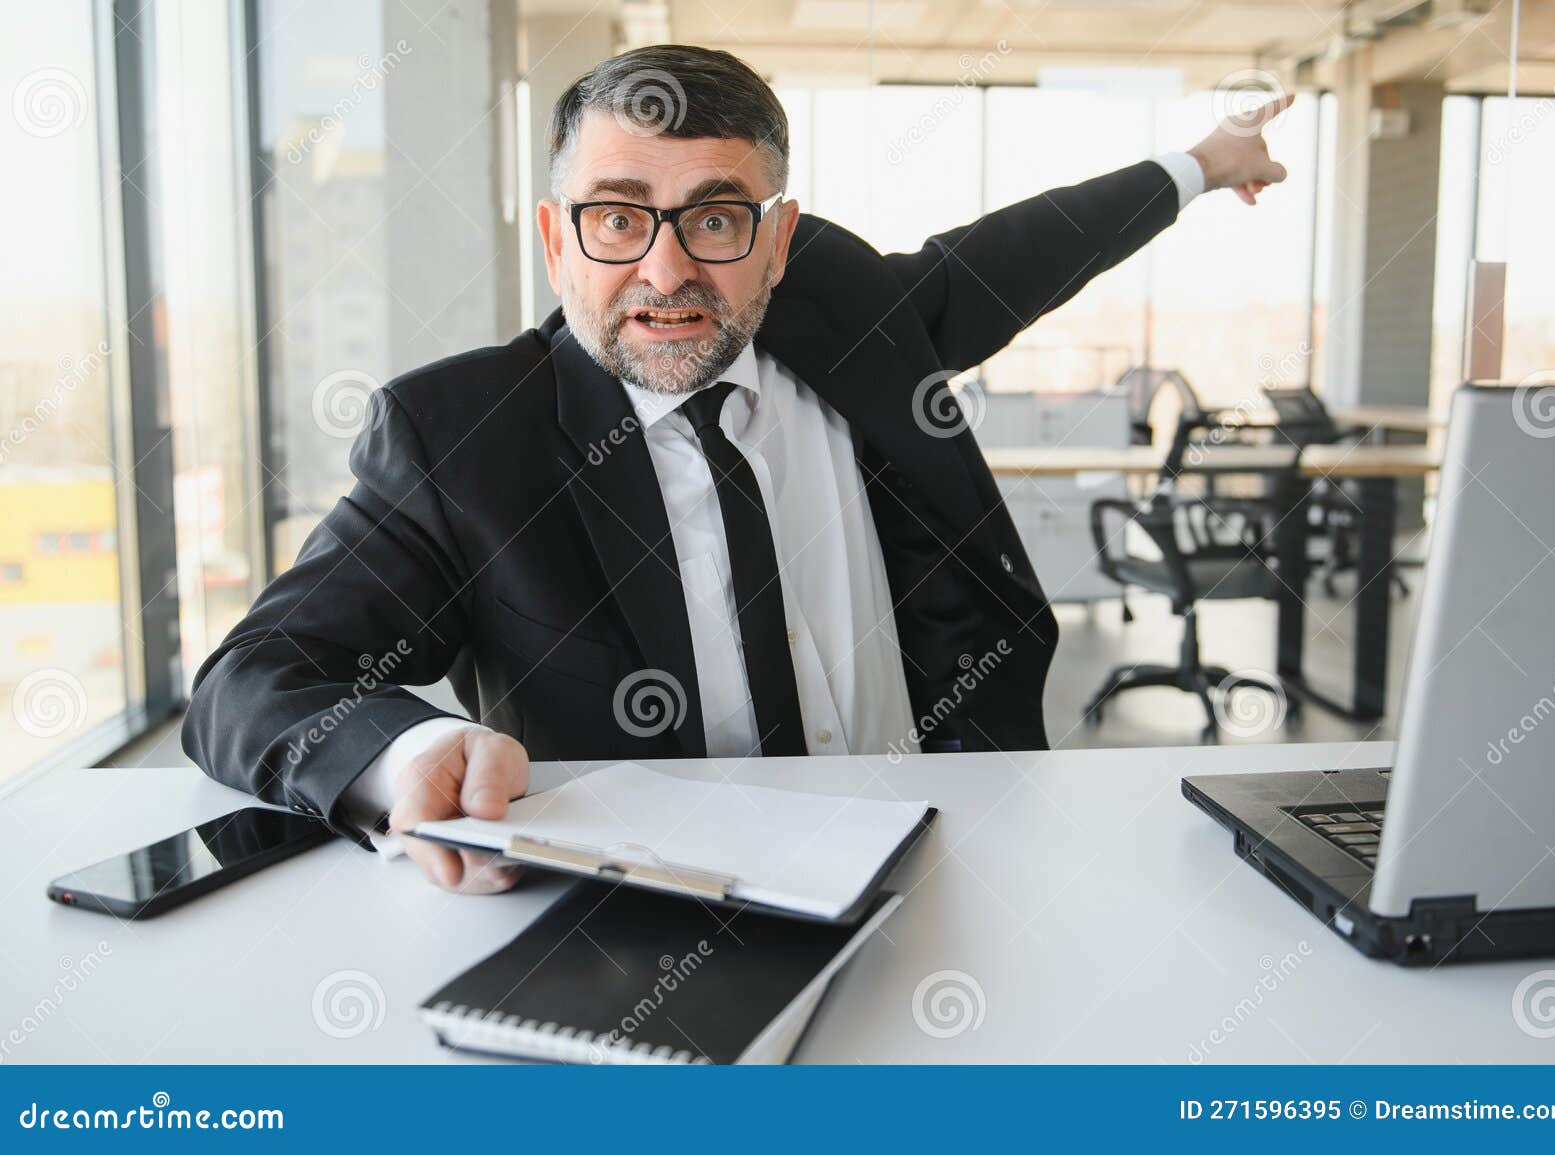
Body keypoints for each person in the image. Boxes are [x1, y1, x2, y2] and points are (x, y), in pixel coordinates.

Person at [183, 44, 1292, 893]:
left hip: (951, 863)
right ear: (556, 238)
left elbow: (1017, 253)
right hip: (641, 911)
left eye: (713, 218)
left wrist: (1201, 164)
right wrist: (408, 750)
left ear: (775, 238)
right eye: (616, 217)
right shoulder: (464, 434)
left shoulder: (851, 323)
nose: (664, 270)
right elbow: (254, 681)